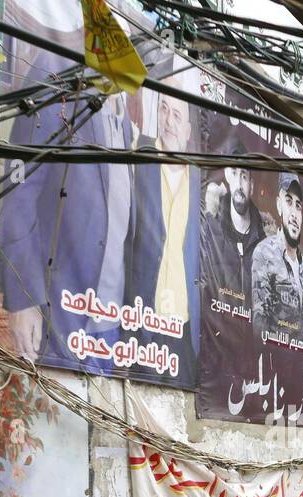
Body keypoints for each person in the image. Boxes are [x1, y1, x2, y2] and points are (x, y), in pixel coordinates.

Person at [0, 0, 134, 366]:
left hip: (111, 329)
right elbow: (19, 190)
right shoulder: (57, 74)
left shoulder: (124, 117)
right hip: (61, 312)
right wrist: (24, 299)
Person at [126, 66, 202, 351]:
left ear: (187, 131)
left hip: (183, 330)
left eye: (177, 115)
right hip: (141, 320)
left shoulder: (197, 180)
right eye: (164, 110)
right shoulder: (138, 154)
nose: (169, 121)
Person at [200, 136, 265, 306]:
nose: (239, 182)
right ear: (228, 175)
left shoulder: (266, 246)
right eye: (235, 173)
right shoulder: (210, 229)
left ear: (251, 185)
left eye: (244, 176)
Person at [250, 171, 303, 344]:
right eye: (288, 202)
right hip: (274, 364)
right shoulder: (264, 253)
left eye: (298, 205)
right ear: (278, 205)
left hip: (300, 366)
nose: (294, 213)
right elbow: (259, 323)